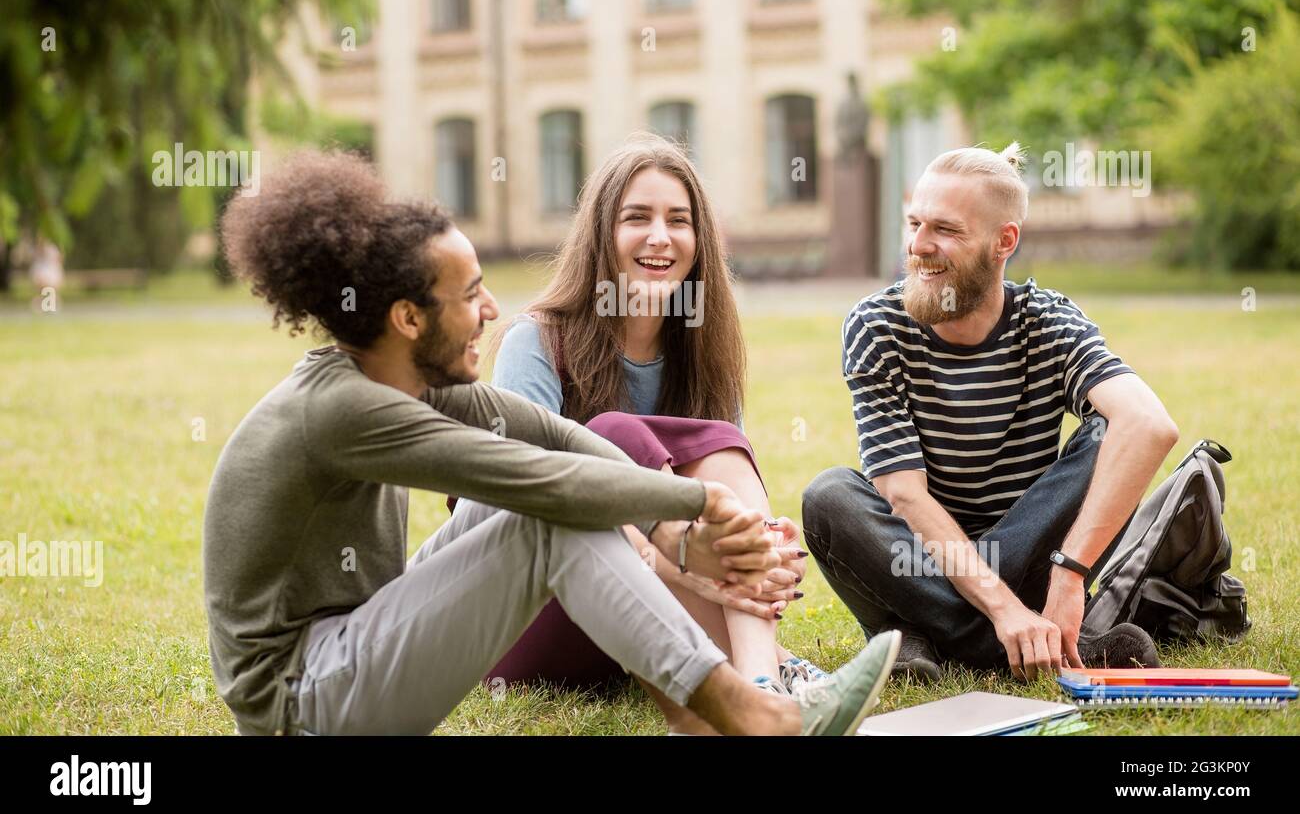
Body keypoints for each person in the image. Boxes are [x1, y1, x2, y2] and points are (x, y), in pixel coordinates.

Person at [203, 148, 901, 736]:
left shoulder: (412, 378)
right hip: (301, 703)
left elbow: (556, 438)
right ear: (409, 318)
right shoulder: (345, 409)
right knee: (552, 515)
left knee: (565, 488)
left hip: (360, 639)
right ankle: (754, 716)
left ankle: (750, 690)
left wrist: (700, 517)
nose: (492, 309)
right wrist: (686, 516)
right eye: (471, 293)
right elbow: (540, 480)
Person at [478, 135, 826, 733]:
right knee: (613, 433)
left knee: (715, 442)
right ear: (601, 236)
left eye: (679, 221)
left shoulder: (704, 353)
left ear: (700, 243)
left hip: (645, 639)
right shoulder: (536, 343)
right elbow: (531, 508)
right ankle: (771, 671)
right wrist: (696, 567)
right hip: (532, 620)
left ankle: (758, 681)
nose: (660, 237)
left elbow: (727, 500)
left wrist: (767, 554)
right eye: (637, 217)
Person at [802, 142, 1177, 684]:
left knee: (1108, 435)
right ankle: (1040, 640)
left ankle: (917, 637)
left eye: (946, 231)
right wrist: (1003, 611)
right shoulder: (876, 326)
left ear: (1005, 242)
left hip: (1032, 565)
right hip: (924, 561)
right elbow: (905, 495)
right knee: (830, 496)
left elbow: (1150, 425)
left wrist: (1069, 578)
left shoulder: (1047, 320)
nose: (918, 246)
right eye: (914, 223)